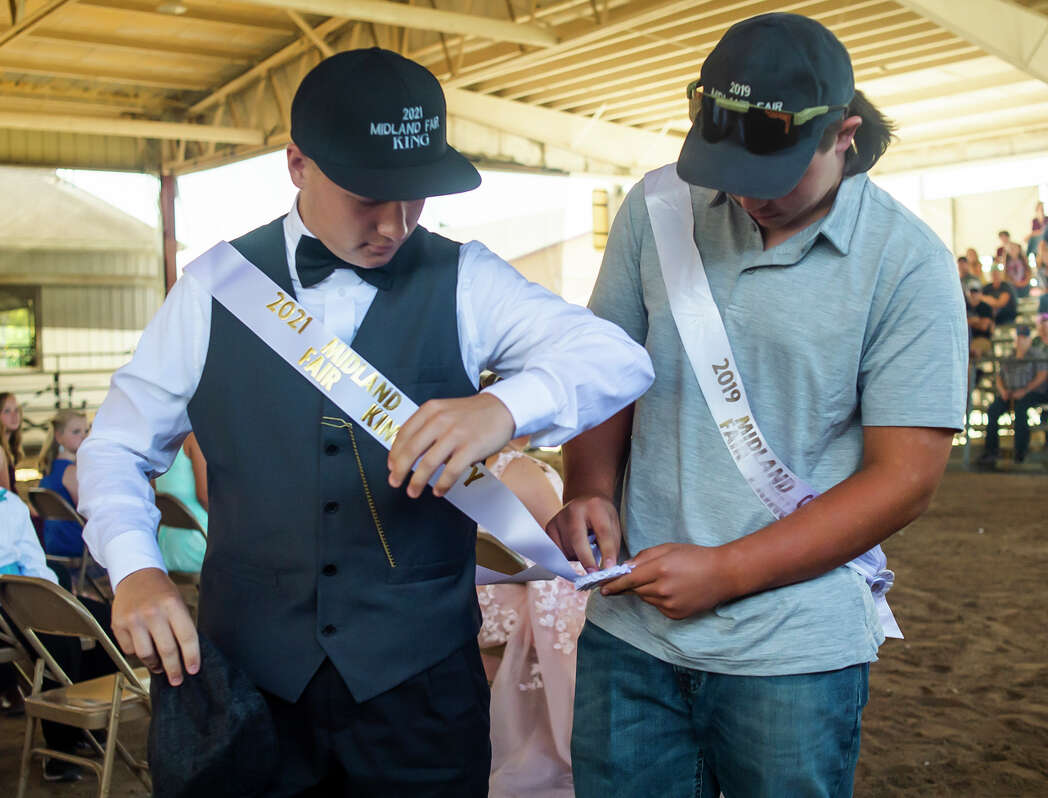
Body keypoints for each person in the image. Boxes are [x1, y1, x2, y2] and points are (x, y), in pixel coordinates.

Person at [78, 47, 654, 796]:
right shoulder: (212, 290)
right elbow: (116, 448)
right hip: (247, 683)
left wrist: (503, 406)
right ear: (297, 165)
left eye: (414, 198)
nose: (393, 225)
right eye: (368, 197)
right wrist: (136, 569)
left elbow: (618, 360)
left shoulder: (467, 278)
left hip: (423, 695)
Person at [546, 13, 967, 797]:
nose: (745, 195)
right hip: (632, 629)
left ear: (843, 135)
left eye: (772, 175)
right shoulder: (658, 209)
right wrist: (590, 488)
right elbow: (606, 367)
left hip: (793, 651)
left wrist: (728, 570)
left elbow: (906, 478)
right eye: (726, 170)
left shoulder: (907, 263)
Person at [0, 415, 115, 783]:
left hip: (21, 596)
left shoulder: (12, 503)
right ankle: (58, 751)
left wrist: (50, 597)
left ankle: (87, 719)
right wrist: (29, 606)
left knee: (102, 620)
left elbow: (35, 561)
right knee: (57, 639)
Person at [476, 435, 587, 798]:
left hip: (475, 604)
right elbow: (565, 553)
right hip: (509, 606)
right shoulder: (520, 469)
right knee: (584, 592)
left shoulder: (463, 469)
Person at [977, 324, 1048, 467]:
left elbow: (1042, 375)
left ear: (1029, 340)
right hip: (1009, 393)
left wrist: (1025, 390)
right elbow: (999, 376)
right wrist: (1002, 390)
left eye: (1024, 338)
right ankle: (991, 451)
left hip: (1032, 393)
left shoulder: (1038, 355)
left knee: (1021, 410)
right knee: (993, 410)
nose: (1021, 341)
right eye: (1019, 338)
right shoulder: (1010, 356)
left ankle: (1020, 452)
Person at [154, 433, 208, 573]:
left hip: (164, 547)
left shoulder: (159, 440)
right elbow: (204, 497)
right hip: (199, 544)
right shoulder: (194, 437)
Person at [37, 410, 88, 557]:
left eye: (86, 430)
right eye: (76, 432)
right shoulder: (71, 472)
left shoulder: (48, 470)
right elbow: (88, 511)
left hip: (53, 545)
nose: (84, 436)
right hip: (77, 546)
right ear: (59, 437)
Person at [965, 276, 995, 360]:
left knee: (972, 350)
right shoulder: (964, 307)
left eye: (976, 291)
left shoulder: (985, 307)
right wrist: (976, 321)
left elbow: (984, 326)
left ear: (980, 293)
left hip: (983, 339)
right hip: (966, 339)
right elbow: (961, 324)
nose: (973, 294)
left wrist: (969, 322)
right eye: (971, 291)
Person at [995, 231, 1030, 298]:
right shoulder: (1000, 250)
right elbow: (1003, 272)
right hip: (1012, 284)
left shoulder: (1022, 261)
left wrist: (1025, 282)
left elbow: (1028, 271)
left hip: (1023, 283)